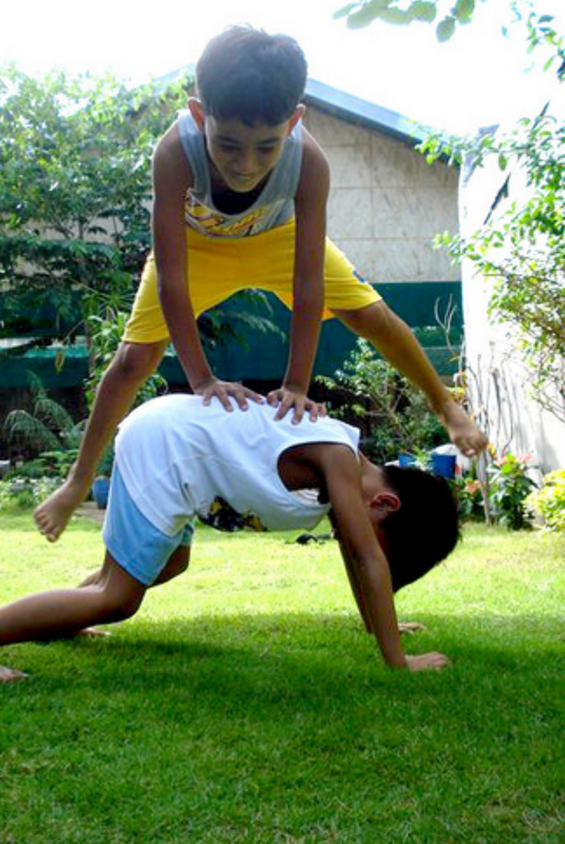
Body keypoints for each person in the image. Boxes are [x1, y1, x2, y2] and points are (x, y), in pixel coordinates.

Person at [33, 25, 486, 543]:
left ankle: (446, 403)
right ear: (201, 115)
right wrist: (201, 380)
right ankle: (76, 483)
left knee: (369, 314)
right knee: (133, 360)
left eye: (265, 147)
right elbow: (172, 281)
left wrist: (296, 385)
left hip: (279, 239)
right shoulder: (175, 152)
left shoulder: (308, 161)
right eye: (228, 145)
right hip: (196, 245)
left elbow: (308, 283)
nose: (245, 165)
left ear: (294, 121)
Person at [0, 394, 459, 682]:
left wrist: (377, 622)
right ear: (385, 503)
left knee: (167, 565)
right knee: (116, 598)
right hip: (166, 448)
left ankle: (65, 615)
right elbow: (367, 560)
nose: (365, 542)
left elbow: (357, 554)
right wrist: (398, 661)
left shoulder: (346, 477)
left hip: (180, 465)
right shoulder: (340, 458)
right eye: (382, 538)